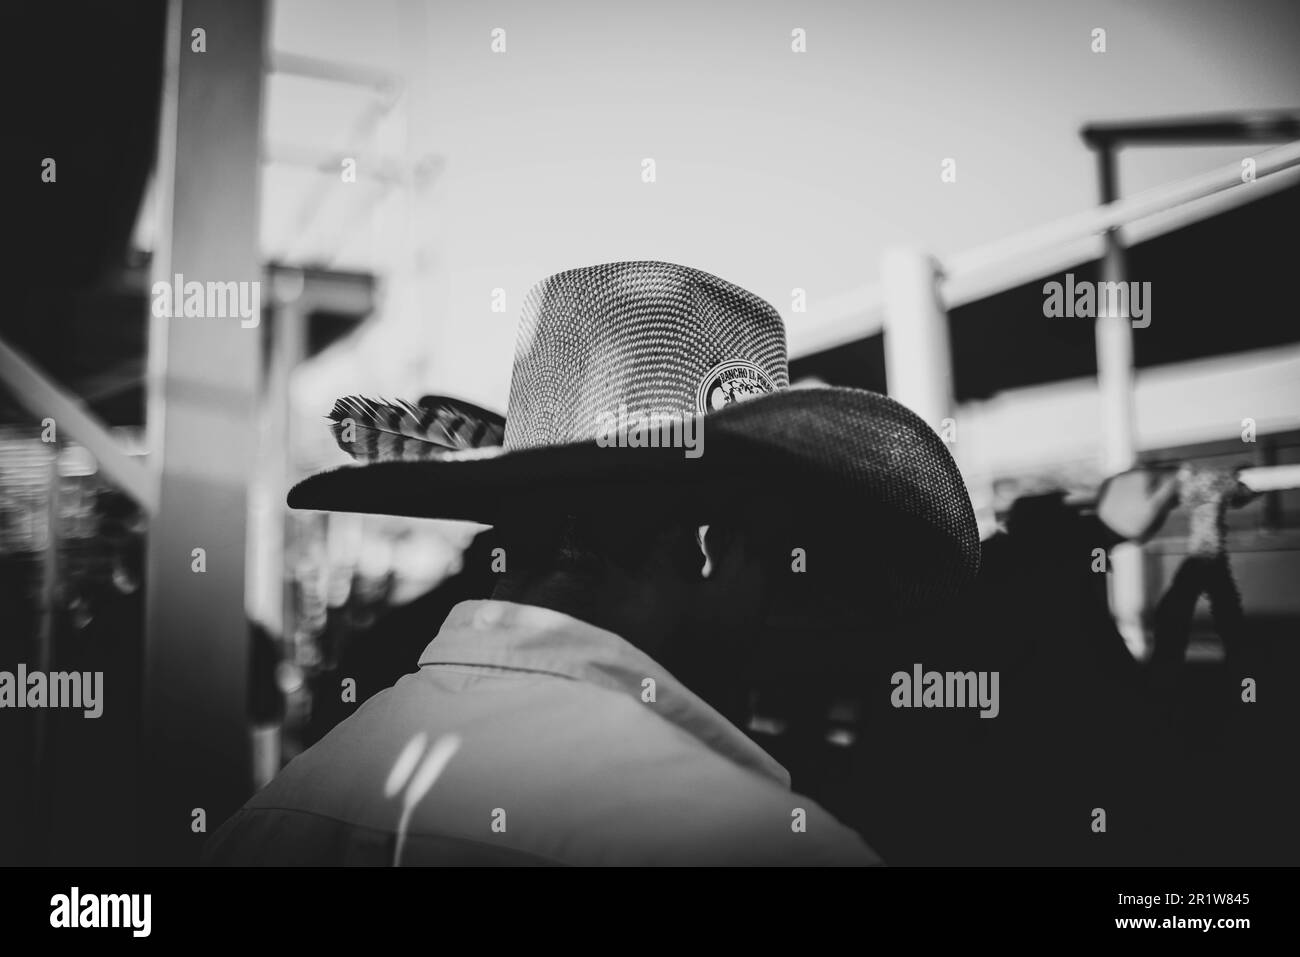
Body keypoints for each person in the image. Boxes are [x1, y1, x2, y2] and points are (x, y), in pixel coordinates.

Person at [205, 261, 979, 865]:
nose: (777, 600)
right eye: (774, 557)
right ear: (711, 543)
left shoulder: (276, 811)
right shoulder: (762, 846)